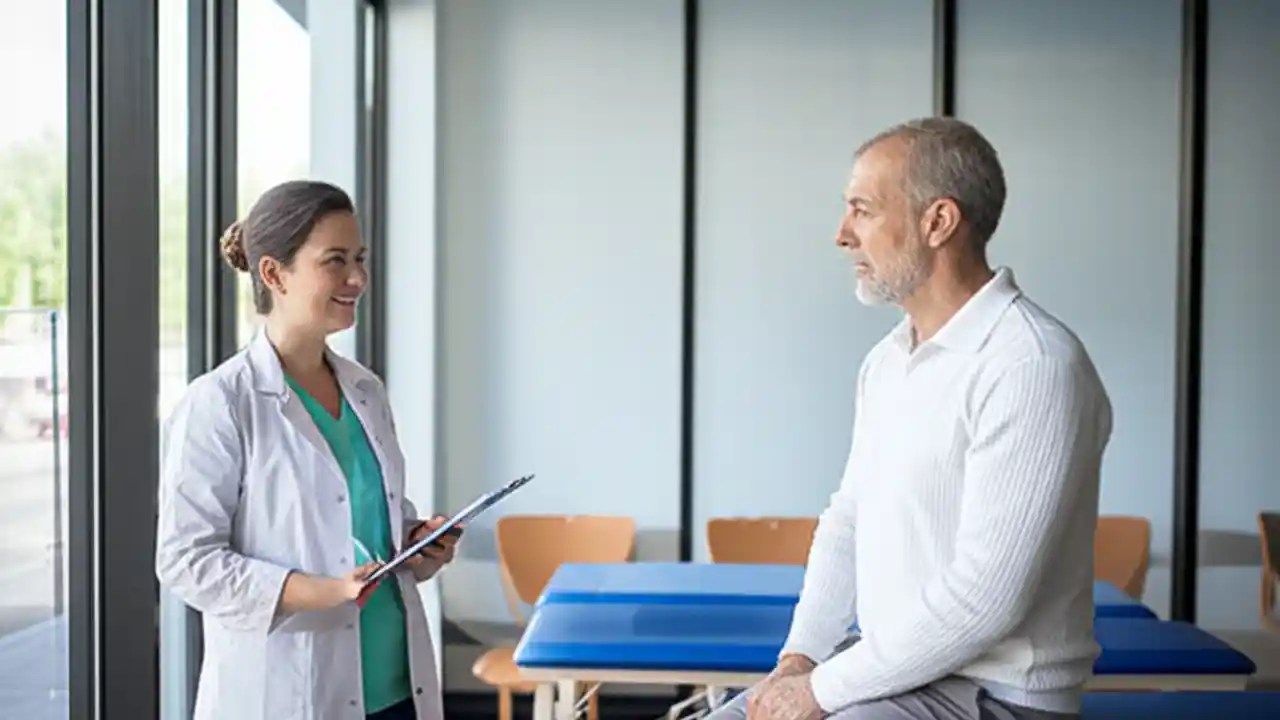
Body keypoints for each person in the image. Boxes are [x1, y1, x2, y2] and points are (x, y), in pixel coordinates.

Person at [712, 117, 1113, 720]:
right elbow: (848, 520)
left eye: (862, 210)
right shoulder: (888, 361)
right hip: (893, 674)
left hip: (994, 698)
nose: (842, 234)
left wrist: (818, 693)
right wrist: (801, 659)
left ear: (938, 222)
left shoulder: (1031, 364)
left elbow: (985, 599)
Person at [155, 180, 456, 720]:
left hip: (394, 686)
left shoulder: (365, 390)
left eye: (359, 259)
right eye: (335, 261)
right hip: (291, 691)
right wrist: (312, 590)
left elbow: (364, 523)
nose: (358, 279)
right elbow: (185, 561)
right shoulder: (221, 402)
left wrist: (417, 544)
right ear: (274, 274)